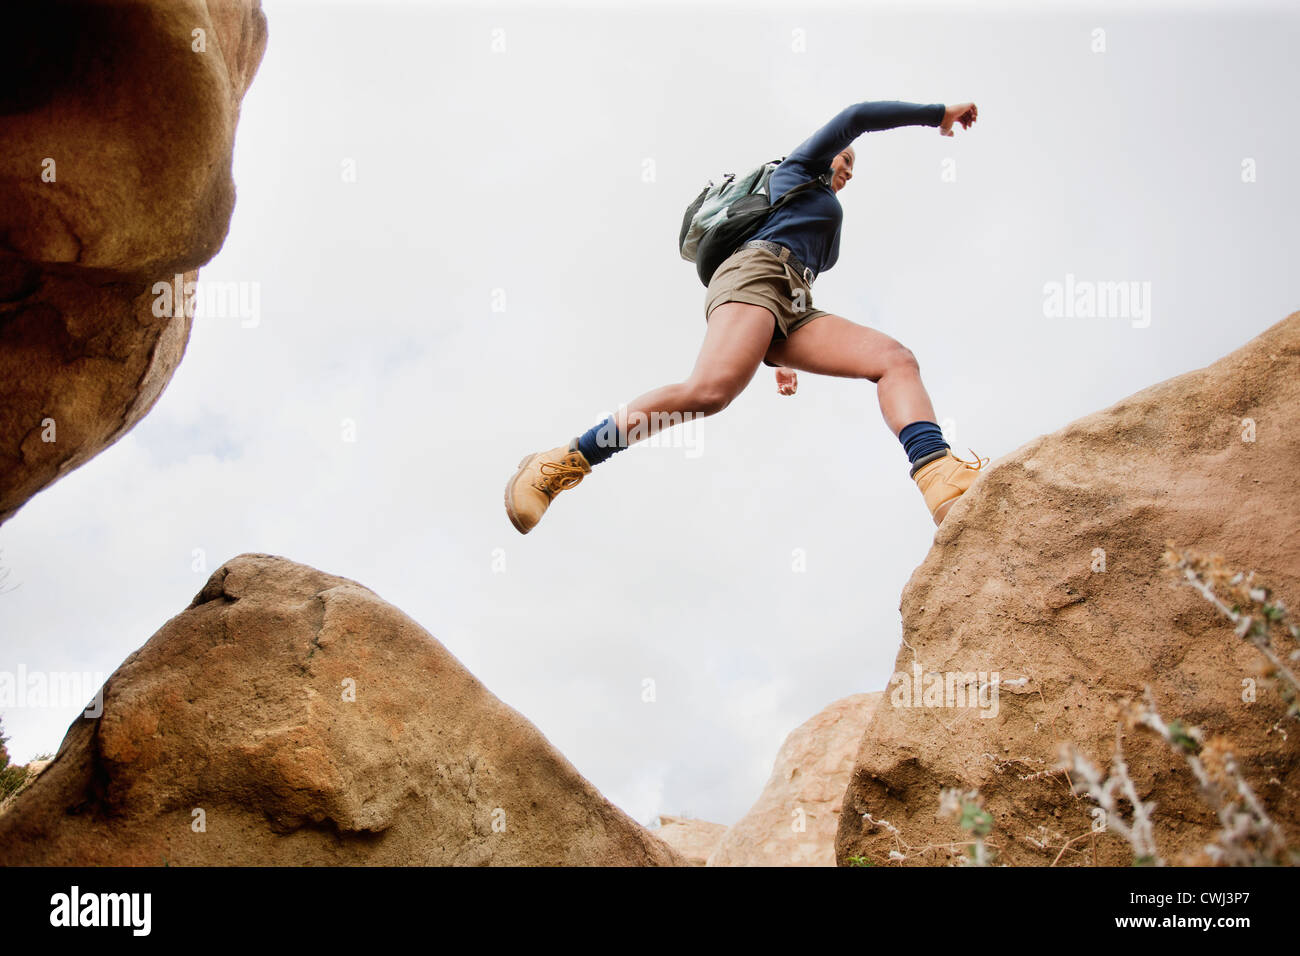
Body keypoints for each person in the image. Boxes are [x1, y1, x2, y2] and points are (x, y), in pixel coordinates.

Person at [506, 99, 986, 534]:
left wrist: (783, 357)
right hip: (754, 270)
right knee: (708, 393)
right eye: (847, 159)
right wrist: (937, 114)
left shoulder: (823, 218)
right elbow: (856, 117)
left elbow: (792, 288)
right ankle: (563, 461)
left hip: (792, 301)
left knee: (894, 359)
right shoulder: (798, 168)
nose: (850, 170)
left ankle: (937, 474)